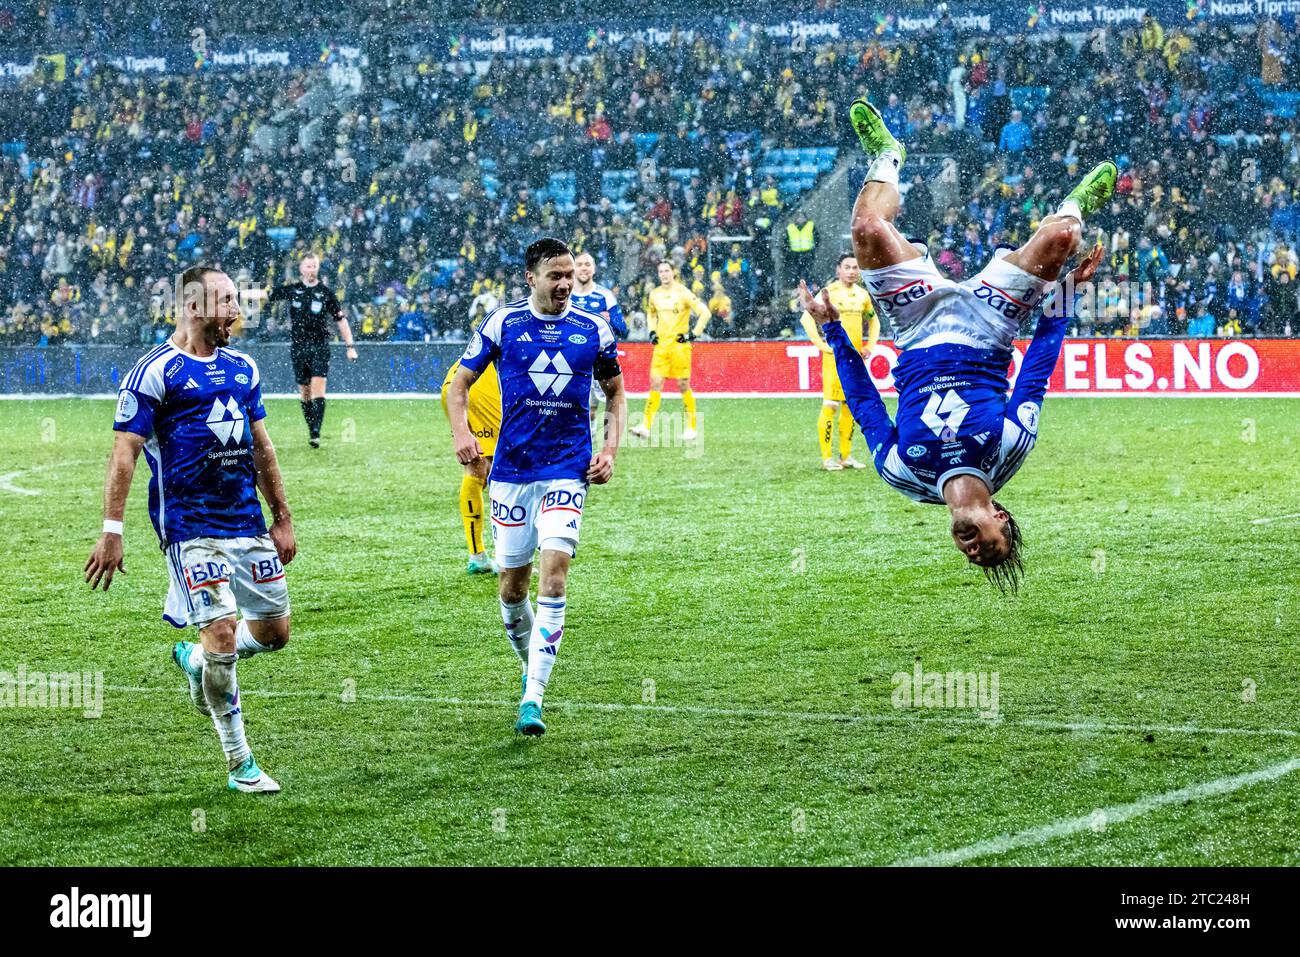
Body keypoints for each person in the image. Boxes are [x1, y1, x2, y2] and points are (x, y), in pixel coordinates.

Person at [803, 95, 1115, 591]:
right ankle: (1078, 202)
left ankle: (886, 155)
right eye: (989, 545)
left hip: (916, 326)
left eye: (970, 555)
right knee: (1061, 238)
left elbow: (864, 406)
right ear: (1002, 517)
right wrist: (1070, 292)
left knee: (865, 228)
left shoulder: (905, 474)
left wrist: (833, 329)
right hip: (990, 327)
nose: (972, 548)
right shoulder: (1008, 449)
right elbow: (1037, 367)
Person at [84, 264, 296, 792]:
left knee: (274, 634)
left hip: (246, 522)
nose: (237, 314)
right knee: (223, 631)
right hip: (188, 527)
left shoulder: (243, 369)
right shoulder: (154, 372)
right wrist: (112, 529)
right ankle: (240, 762)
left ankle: (195, 659)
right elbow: (125, 454)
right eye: (228, 303)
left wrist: (282, 516)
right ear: (194, 307)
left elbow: (261, 447)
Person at [446, 238, 626, 736]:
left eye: (569, 275)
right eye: (555, 276)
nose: (565, 284)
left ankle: (534, 696)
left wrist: (609, 450)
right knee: (512, 588)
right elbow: (459, 384)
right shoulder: (503, 323)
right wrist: (463, 436)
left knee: (555, 575)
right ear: (531, 278)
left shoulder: (594, 329)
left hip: (567, 470)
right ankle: (532, 666)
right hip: (511, 473)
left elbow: (616, 392)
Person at [251, 252, 358, 448]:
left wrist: (350, 347)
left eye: (314, 266)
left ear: (318, 268)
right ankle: (312, 428)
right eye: (308, 266)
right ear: (301, 269)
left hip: (320, 346)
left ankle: (316, 432)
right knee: (305, 392)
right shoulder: (293, 290)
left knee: (318, 387)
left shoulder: (326, 294)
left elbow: (341, 321)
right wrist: (236, 293)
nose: (311, 270)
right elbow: (265, 295)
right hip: (299, 348)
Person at [799, 252, 880, 471]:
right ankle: (827, 459)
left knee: (849, 406)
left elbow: (874, 322)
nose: (852, 271)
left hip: (854, 359)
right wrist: (821, 345)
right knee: (831, 405)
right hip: (834, 358)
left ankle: (845, 456)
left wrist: (870, 345)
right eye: (847, 267)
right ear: (838, 270)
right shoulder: (829, 293)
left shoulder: (863, 295)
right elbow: (806, 318)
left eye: (855, 267)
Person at [630, 261, 710, 441]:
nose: (664, 274)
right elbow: (651, 313)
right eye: (660, 271)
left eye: (667, 271)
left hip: (680, 347)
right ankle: (645, 426)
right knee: (655, 383)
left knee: (683, 385)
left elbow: (705, 312)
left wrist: (693, 334)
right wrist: (651, 331)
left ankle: (691, 427)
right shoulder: (655, 294)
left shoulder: (683, 292)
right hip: (661, 347)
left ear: (673, 272)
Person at [440, 345, 502, 576]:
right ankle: (506, 557)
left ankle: (478, 556)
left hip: (456, 380)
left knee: (477, 469)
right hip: (479, 386)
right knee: (505, 472)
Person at [569, 251, 628, 431]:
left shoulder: (604, 295)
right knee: (573, 407)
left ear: (594, 269)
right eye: (579, 264)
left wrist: (611, 320)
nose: (584, 268)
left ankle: (590, 441)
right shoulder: (566, 294)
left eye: (587, 264)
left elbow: (623, 329)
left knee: (592, 409)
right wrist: (593, 318)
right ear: (573, 269)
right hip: (571, 360)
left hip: (597, 362)